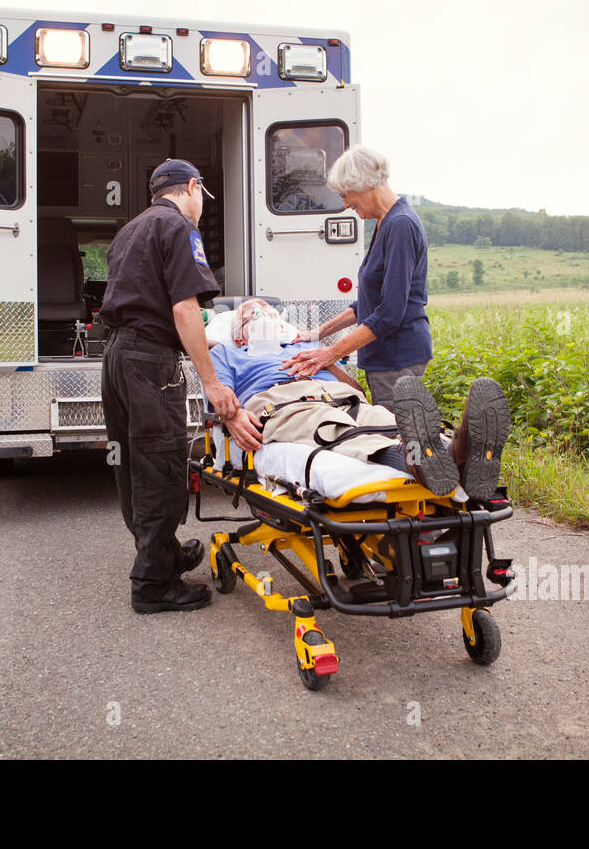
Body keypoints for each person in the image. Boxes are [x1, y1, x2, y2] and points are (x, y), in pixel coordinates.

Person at [99, 158, 243, 615]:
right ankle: (153, 584)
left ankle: (159, 553)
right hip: (149, 362)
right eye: (202, 196)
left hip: (117, 357)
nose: (201, 206)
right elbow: (183, 310)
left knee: (129, 461)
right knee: (160, 464)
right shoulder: (180, 227)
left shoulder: (131, 229)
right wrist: (212, 382)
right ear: (193, 187)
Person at [211, 300, 510, 500]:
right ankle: (416, 460)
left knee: (383, 418)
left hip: (340, 396)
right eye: (254, 316)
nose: (265, 317)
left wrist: (324, 361)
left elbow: (356, 389)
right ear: (239, 335)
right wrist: (232, 418)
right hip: (284, 403)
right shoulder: (227, 353)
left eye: (271, 314)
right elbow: (220, 400)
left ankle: (460, 453)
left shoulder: (308, 348)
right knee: (337, 429)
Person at [285, 144, 432, 410]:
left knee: (392, 439)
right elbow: (366, 305)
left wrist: (329, 354)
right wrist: (318, 333)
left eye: (345, 194)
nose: (345, 204)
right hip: (385, 356)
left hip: (397, 356)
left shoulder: (400, 225)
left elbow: (389, 313)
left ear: (364, 183)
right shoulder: (385, 223)